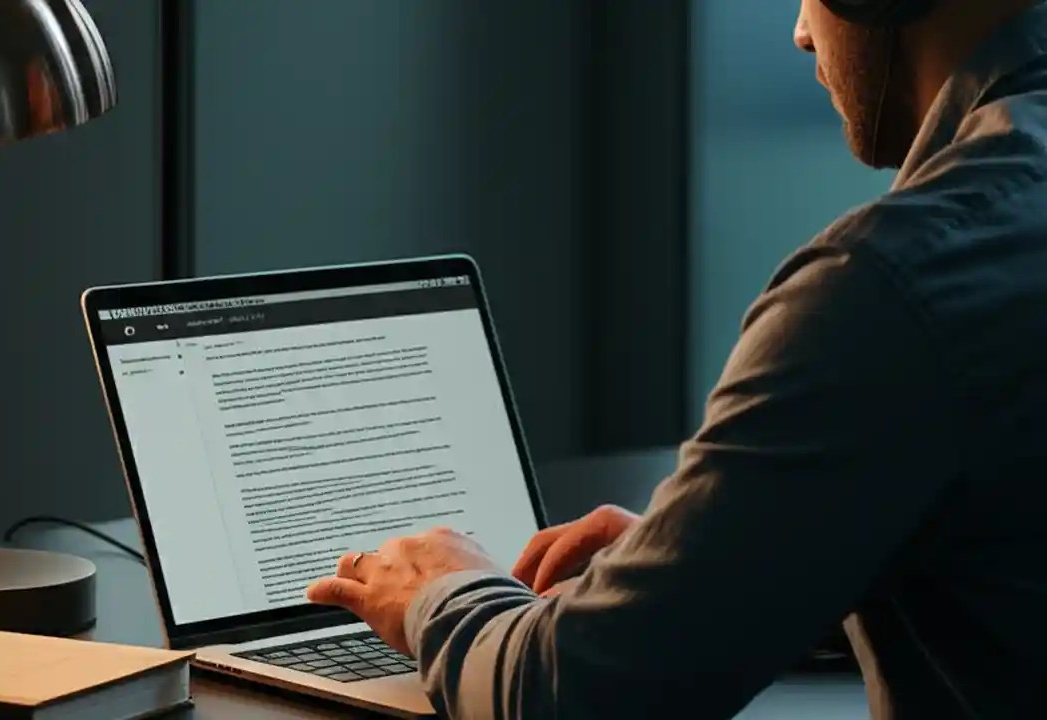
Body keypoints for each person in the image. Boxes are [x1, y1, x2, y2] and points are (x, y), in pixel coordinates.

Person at [307, 0, 1047, 717]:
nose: (798, 32)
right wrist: (728, 567)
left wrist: (441, 590)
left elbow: (568, 696)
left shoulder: (886, 286)